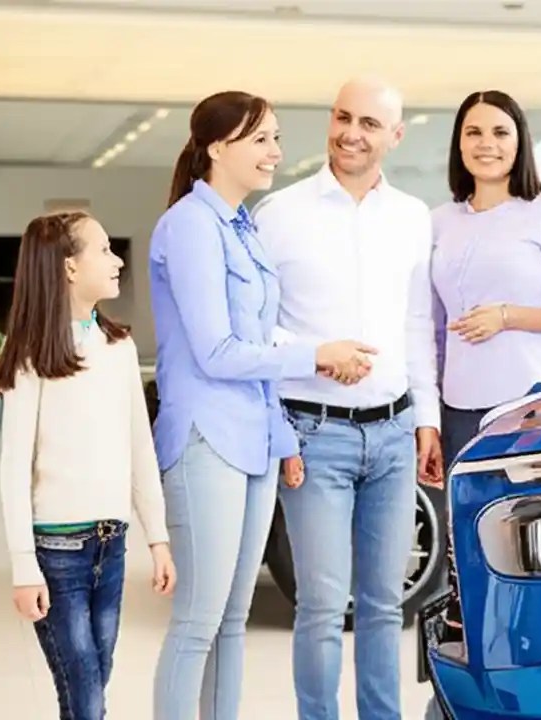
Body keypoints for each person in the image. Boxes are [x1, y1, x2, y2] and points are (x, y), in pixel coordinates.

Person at [148, 90, 374, 720]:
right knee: (198, 619)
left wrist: (282, 437)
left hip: (252, 440)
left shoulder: (242, 227)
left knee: (232, 621)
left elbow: (260, 339)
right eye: (261, 139)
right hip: (205, 440)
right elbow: (219, 352)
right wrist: (318, 355)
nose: (276, 151)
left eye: (276, 137)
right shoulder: (190, 226)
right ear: (219, 147)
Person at [253, 76, 443, 720]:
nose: (350, 133)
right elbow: (256, 323)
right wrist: (314, 351)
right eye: (341, 117)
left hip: (393, 433)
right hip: (314, 433)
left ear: (395, 135)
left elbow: (419, 323)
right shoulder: (280, 214)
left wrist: (428, 419)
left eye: (368, 123)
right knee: (323, 603)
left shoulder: (414, 217)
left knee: (385, 603)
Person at [427, 89, 541, 660]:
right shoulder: (439, 222)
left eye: (500, 132)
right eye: (474, 132)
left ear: (519, 140)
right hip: (459, 409)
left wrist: (508, 316)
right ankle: (471, 672)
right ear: (459, 143)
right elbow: (428, 330)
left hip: (529, 408)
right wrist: (426, 418)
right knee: (466, 556)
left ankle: (530, 666)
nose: (487, 144)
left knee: (526, 550)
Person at [0, 210, 177, 720]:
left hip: (110, 544)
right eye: (103, 250)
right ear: (69, 267)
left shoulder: (118, 346)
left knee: (92, 682)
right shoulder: (28, 352)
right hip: (57, 552)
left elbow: (140, 447)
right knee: (85, 690)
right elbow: (13, 467)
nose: (117, 261)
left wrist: (157, 539)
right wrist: (22, 564)